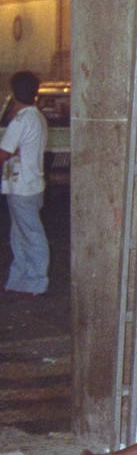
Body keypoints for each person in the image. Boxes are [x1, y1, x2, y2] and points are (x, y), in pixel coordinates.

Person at [0, 70, 49, 296]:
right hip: (31, 185)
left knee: (30, 235)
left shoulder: (21, 120)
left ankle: (36, 281)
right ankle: (19, 280)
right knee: (19, 235)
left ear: (14, 94)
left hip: (22, 188)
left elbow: (4, 152)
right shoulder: (35, 116)